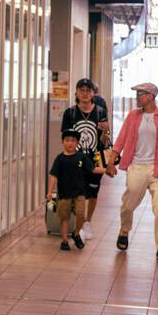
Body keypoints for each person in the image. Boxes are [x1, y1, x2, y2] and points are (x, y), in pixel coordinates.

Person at [113, 83, 158, 260]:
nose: (137, 97)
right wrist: (111, 161)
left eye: (140, 94)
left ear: (151, 96)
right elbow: (121, 138)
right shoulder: (132, 116)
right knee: (128, 204)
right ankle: (124, 229)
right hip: (137, 166)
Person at [60, 78, 113, 239]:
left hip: (95, 158)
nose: (84, 94)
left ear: (93, 93)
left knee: (92, 193)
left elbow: (104, 141)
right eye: (81, 90)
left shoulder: (100, 112)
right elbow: (65, 137)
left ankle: (87, 221)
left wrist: (106, 131)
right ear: (76, 92)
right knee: (77, 192)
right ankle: (78, 225)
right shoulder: (70, 113)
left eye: (88, 91)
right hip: (75, 159)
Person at [47, 129, 100, 250]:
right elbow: (53, 175)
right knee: (64, 217)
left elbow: (92, 169)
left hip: (80, 192)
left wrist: (106, 170)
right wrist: (50, 191)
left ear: (77, 143)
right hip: (64, 194)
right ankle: (64, 240)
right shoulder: (59, 159)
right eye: (67, 140)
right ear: (62, 142)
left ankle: (76, 233)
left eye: (73, 141)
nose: (70, 143)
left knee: (81, 214)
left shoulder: (81, 156)